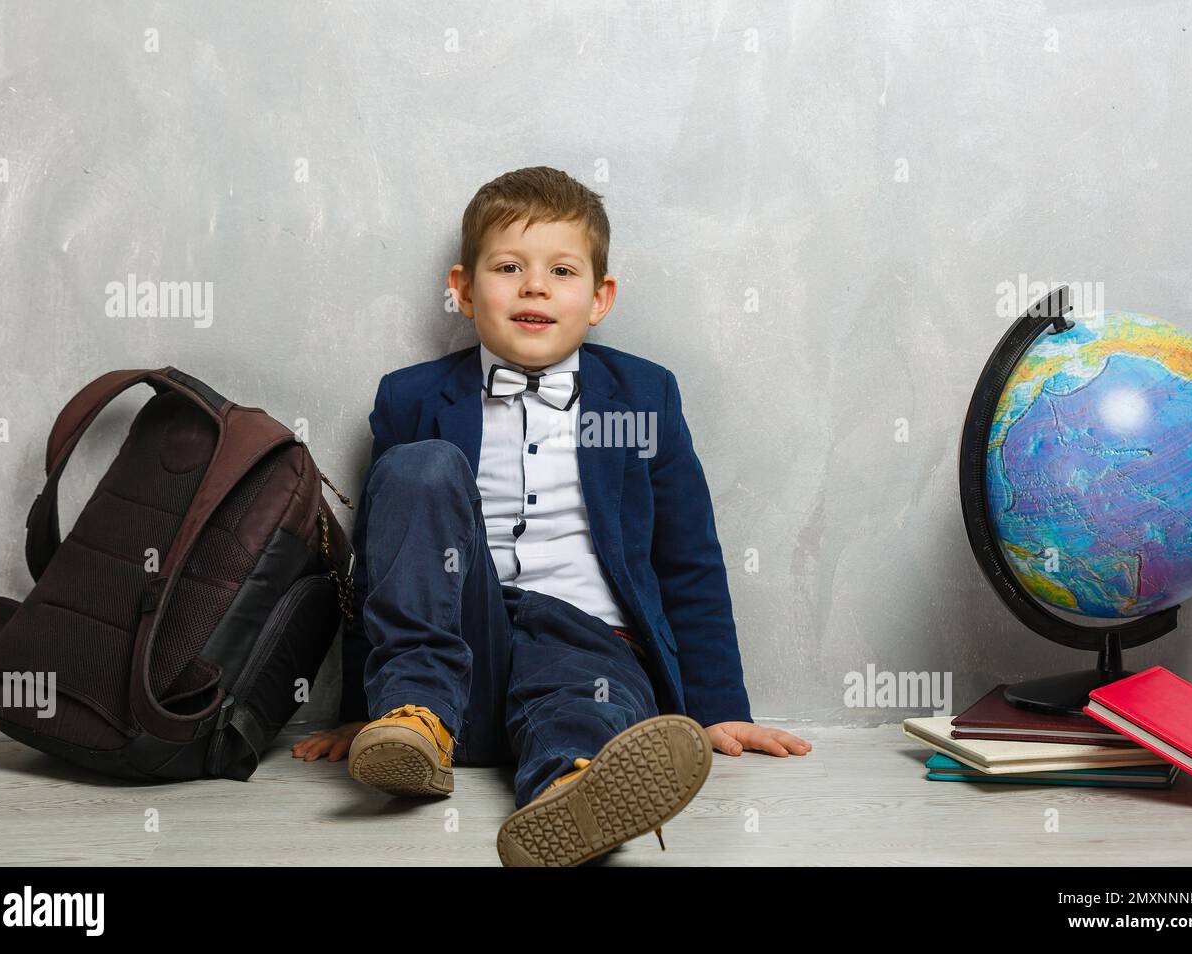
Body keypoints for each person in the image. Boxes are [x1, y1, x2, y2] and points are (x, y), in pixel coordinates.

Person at [293, 166, 810, 866]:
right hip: (459, 668)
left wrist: (721, 707)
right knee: (419, 469)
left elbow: (687, 558)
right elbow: (384, 563)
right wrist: (362, 704)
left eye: (561, 270)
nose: (535, 285)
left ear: (599, 299)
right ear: (463, 289)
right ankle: (413, 724)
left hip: (592, 644)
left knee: (578, 693)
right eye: (509, 267)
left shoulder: (641, 397)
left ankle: (573, 785)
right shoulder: (411, 398)